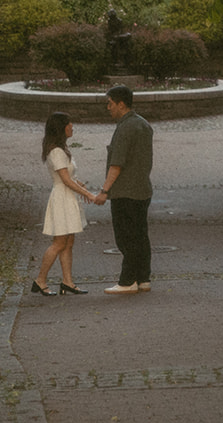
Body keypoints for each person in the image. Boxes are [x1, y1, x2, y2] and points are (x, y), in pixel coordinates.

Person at [94, 84, 153, 294]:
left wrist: (104, 191)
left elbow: (117, 163)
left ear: (121, 104)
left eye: (110, 104)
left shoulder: (125, 128)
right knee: (140, 236)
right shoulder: (143, 124)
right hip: (142, 189)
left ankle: (127, 281)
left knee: (126, 238)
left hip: (125, 192)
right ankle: (143, 278)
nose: (108, 108)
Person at [33, 112, 97, 296]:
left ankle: (67, 281)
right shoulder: (56, 151)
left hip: (68, 197)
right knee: (59, 243)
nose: (72, 126)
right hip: (62, 197)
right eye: (69, 124)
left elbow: (70, 178)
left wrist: (80, 184)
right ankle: (40, 280)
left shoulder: (61, 149)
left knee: (68, 243)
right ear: (62, 128)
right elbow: (65, 180)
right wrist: (88, 194)